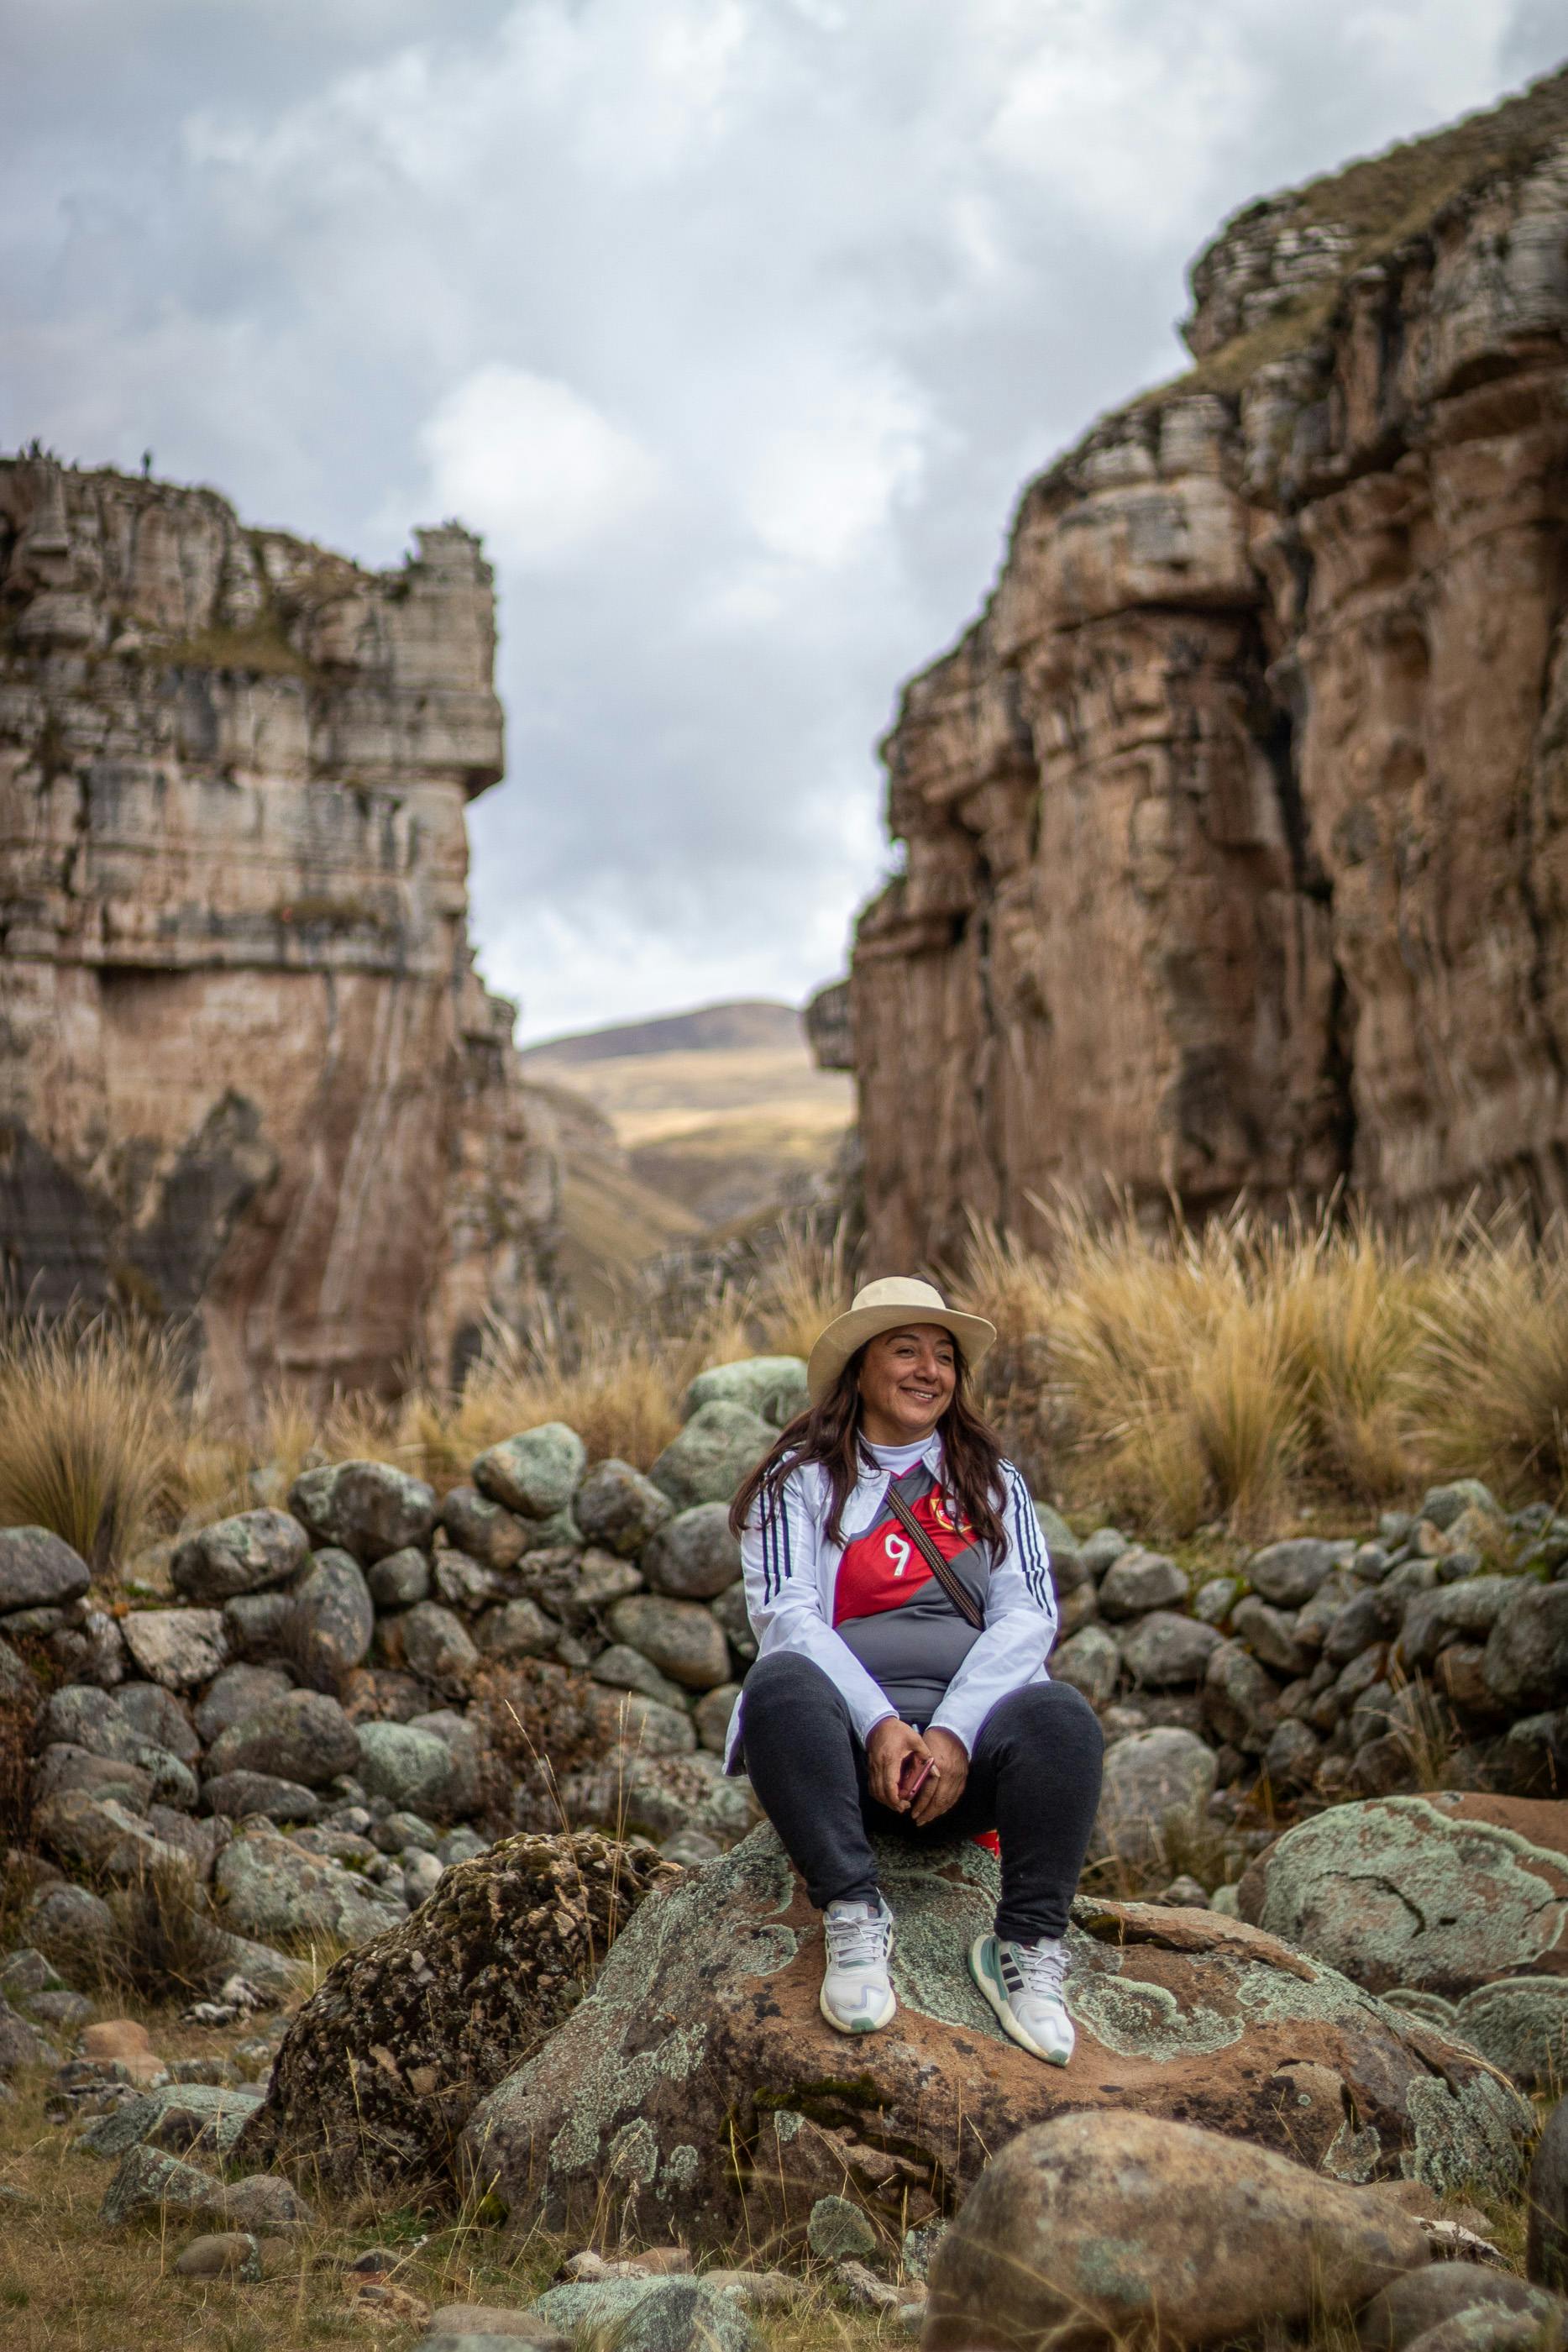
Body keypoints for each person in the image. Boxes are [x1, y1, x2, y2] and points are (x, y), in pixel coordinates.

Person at [726, 1275, 1104, 2066]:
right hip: (843, 1766)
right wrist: (882, 1727)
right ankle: (854, 1916)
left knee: (1061, 1716)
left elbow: (1029, 1616)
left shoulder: (993, 1482)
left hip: (962, 1771)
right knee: (781, 1680)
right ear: (858, 1368)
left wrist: (955, 1736)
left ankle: (1026, 1949)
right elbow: (787, 1616)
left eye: (944, 1356)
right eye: (905, 1350)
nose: (928, 1370)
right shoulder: (796, 1483)